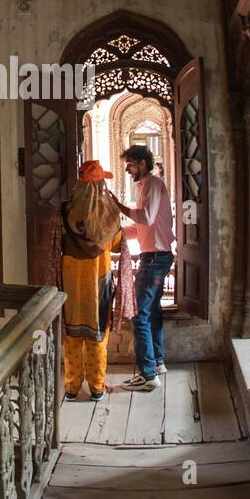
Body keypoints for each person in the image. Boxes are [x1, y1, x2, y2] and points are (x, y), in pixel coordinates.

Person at [59, 160, 124, 402]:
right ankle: (97, 388)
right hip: (99, 280)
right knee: (98, 335)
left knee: (73, 335)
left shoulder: (65, 211)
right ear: (100, 184)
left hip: (72, 280)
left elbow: (58, 242)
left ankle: (71, 388)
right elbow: (117, 244)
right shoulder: (109, 213)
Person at [114, 144, 174, 391]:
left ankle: (148, 375)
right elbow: (143, 227)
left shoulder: (152, 184)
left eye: (129, 164)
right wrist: (116, 233)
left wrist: (118, 206)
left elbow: (145, 217)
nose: (127, 169)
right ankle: (157, 363)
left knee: (139, 314)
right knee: (153, 313)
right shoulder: (146, 186)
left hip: (155, 260)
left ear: (141, 163)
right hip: (158, 256)